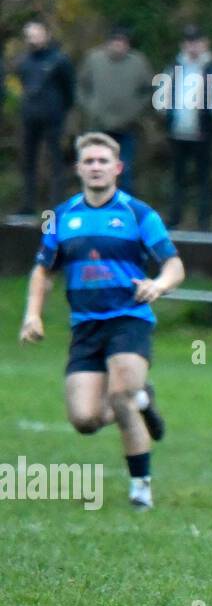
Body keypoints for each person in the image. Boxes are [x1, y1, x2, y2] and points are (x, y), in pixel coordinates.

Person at [19, 132, 184, 509]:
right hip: (86, 325)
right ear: (79, 169)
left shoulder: (139, 214)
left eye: (103, 161)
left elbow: (174, 265)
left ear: (117, 168)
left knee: (120, 396)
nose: (96, 167)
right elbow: (42, 271)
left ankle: (140, 487)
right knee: (85, 419)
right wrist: (32, 315)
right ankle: (144, 398)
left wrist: (158, 285)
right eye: (89, 161)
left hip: (129, 319)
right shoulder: (60, 217)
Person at [158, 26, 212, 229]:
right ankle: (174, 219)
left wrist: (207, 109)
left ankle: (203, 222)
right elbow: (161, 95)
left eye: (197, 41)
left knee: (203, 180)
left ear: (205, 44)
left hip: (202, 133)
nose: (193, 46)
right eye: (189, 41)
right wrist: (169, 112)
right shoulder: (174, 67)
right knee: (177, 178)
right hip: (178, 132)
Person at [77, 27, 154, 194]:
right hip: (99, 126)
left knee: (125, 171)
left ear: (128, 44)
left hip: (128, 126)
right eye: (115, 41)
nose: (118, 45)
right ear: (108, 42)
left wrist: (136, 110)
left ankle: (124, 211)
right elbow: (80, 87)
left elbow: (149, 91)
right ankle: (96, 208)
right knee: (96, 170)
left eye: (123, 42)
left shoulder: (138, 62)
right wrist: (91, 107)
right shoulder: (93, 59)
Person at [16, 19, 76, 217]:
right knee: (28, 161)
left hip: (53, 118)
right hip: (29, 118)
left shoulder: (60, 60)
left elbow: (69, 91)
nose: (33, 39)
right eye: (29, 36)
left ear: (46, 35)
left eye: (36, 34)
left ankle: (57, 206)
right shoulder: (24, 61)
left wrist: (61, 110)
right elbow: (24, 85)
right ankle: (28, 204)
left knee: (56, 162)